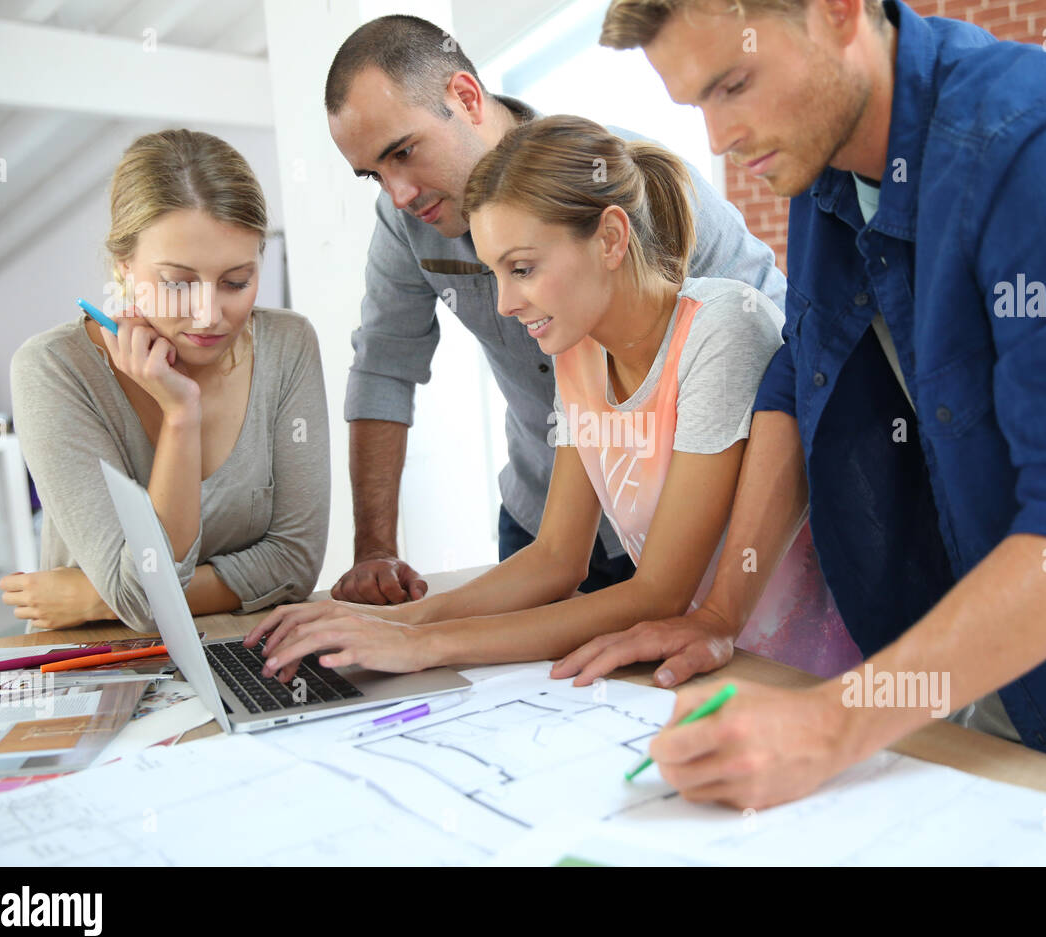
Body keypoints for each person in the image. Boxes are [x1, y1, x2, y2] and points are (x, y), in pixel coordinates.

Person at [586, 0, 1046, 817]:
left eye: (734, 84)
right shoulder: (827, 165)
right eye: (697, 104)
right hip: (1002, 673)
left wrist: (829, 726)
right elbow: (805, 372)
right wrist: (723, 611)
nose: (719, 137)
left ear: (838, 14)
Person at [243, 116, 858, 684]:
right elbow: (558, 558)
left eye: (524, 268)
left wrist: (425, 646)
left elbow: (658, 593)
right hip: (693, 665)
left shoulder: (721, 327)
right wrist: (400, 622)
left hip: (797, 669)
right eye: (495, 273)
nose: (506, 305)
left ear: (611, 238)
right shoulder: (580, 352)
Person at [320, 14, 786, 606]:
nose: (400, 194)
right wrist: (375, 559)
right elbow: (383, 367)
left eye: (404, 153)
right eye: (374, 175)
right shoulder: (406, 224)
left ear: (464, 98)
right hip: (545, 518)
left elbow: (772, 339)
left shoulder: (619, 182)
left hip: (686, 521)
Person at [4, 129, 330, 634]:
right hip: (100, 670)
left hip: (250, 655)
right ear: (124, 267)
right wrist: (181, 416)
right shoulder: (54, 369)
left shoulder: (288, 345)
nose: (209, 316)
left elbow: (295, 563)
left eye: (236, 282)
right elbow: (141, 596)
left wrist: (94, 597)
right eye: (177, 283)